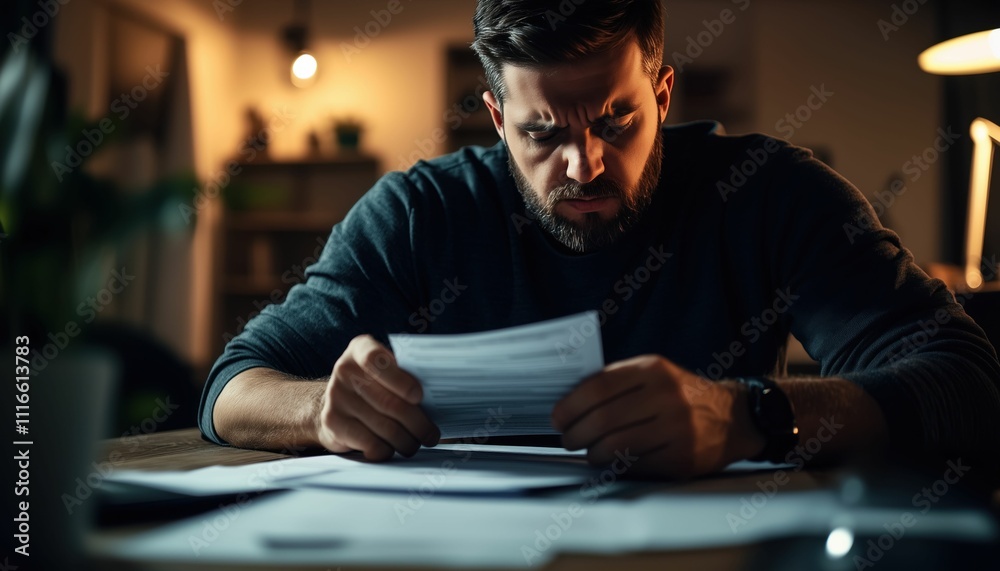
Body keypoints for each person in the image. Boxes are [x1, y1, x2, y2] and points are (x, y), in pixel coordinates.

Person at [199, 0, 1000, 479]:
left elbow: (968, 382)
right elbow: (231, 386)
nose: (584, 165)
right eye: (541, 132)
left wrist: (754, 416)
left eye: (617, 120)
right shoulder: (419, 214)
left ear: (663, 91)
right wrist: (319, 410)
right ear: (494, 117)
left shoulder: (768, 194)